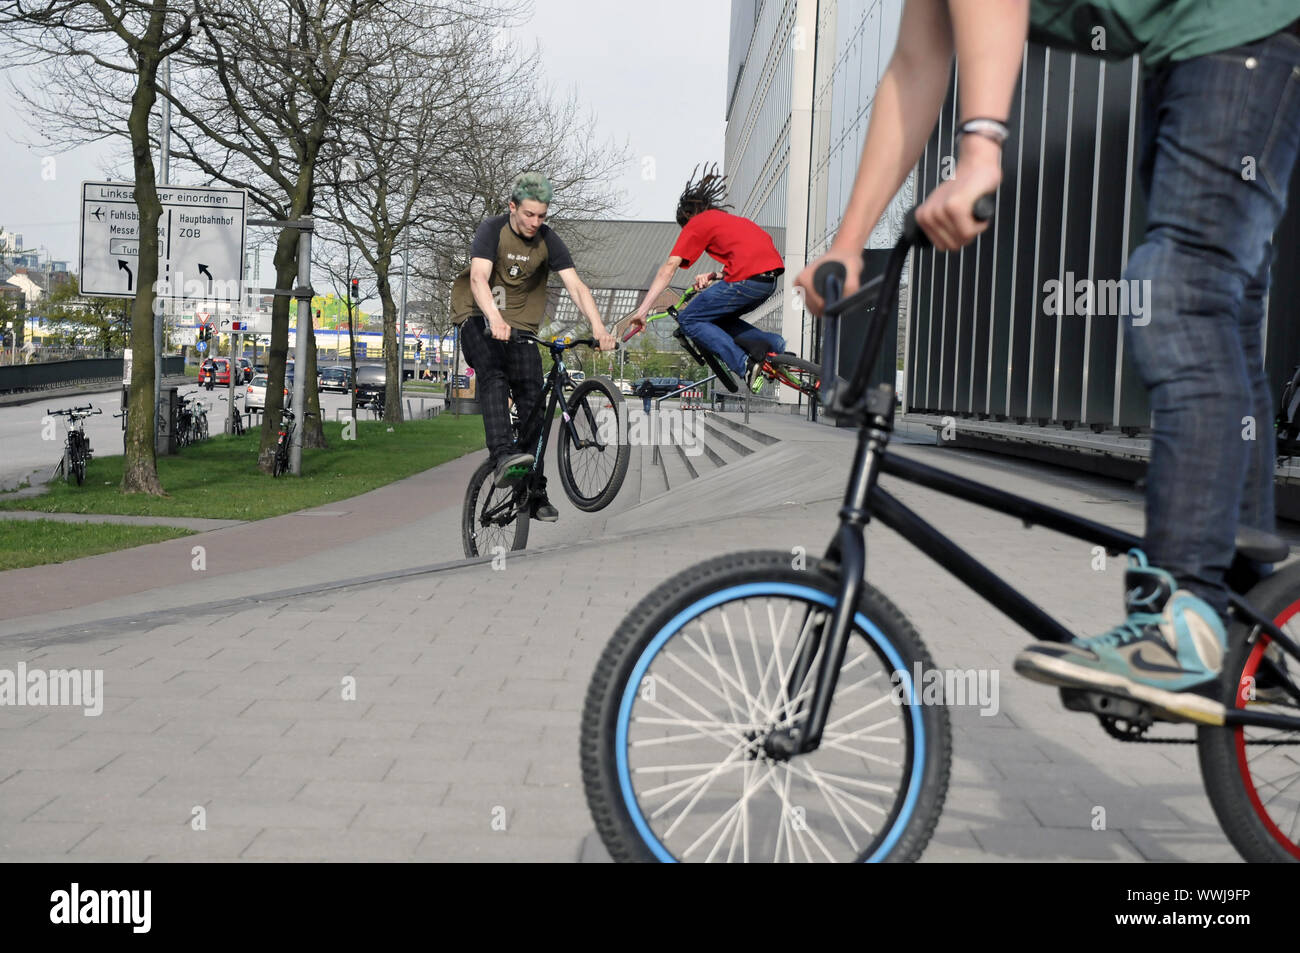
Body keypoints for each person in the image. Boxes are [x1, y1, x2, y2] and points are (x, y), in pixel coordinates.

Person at [795, 1, 1300, 725]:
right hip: (1195, 52)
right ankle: (1247, 623)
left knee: (1179, 294)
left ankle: (1185, 620)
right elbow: (915, 66)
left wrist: (979, 154)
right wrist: (847, 241)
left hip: (1238, 34)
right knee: (1218, 305)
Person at [450, 172, 616, 522]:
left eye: (541, 216)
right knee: (494, 376)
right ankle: (502, 455)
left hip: (521, 329)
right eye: (529, 214)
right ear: (512, 207)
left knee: (533, 399)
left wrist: (600, 329)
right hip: (478, 317)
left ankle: (533, 490)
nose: (535, 222)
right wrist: (494, 317)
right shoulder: (491, 230)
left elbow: (577, 287)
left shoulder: (548, 240)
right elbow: (479, 278)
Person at [625, 164, 788, 395]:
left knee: (689, 319)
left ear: (688, 217)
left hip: (747, 280)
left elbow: (668, 268)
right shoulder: (732, 221)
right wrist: (715, 275)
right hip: (768, 281)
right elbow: (752, 259)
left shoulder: (697, 222)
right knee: (717, 319)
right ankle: (775, 346)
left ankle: (745, 365)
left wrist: (642, 311)